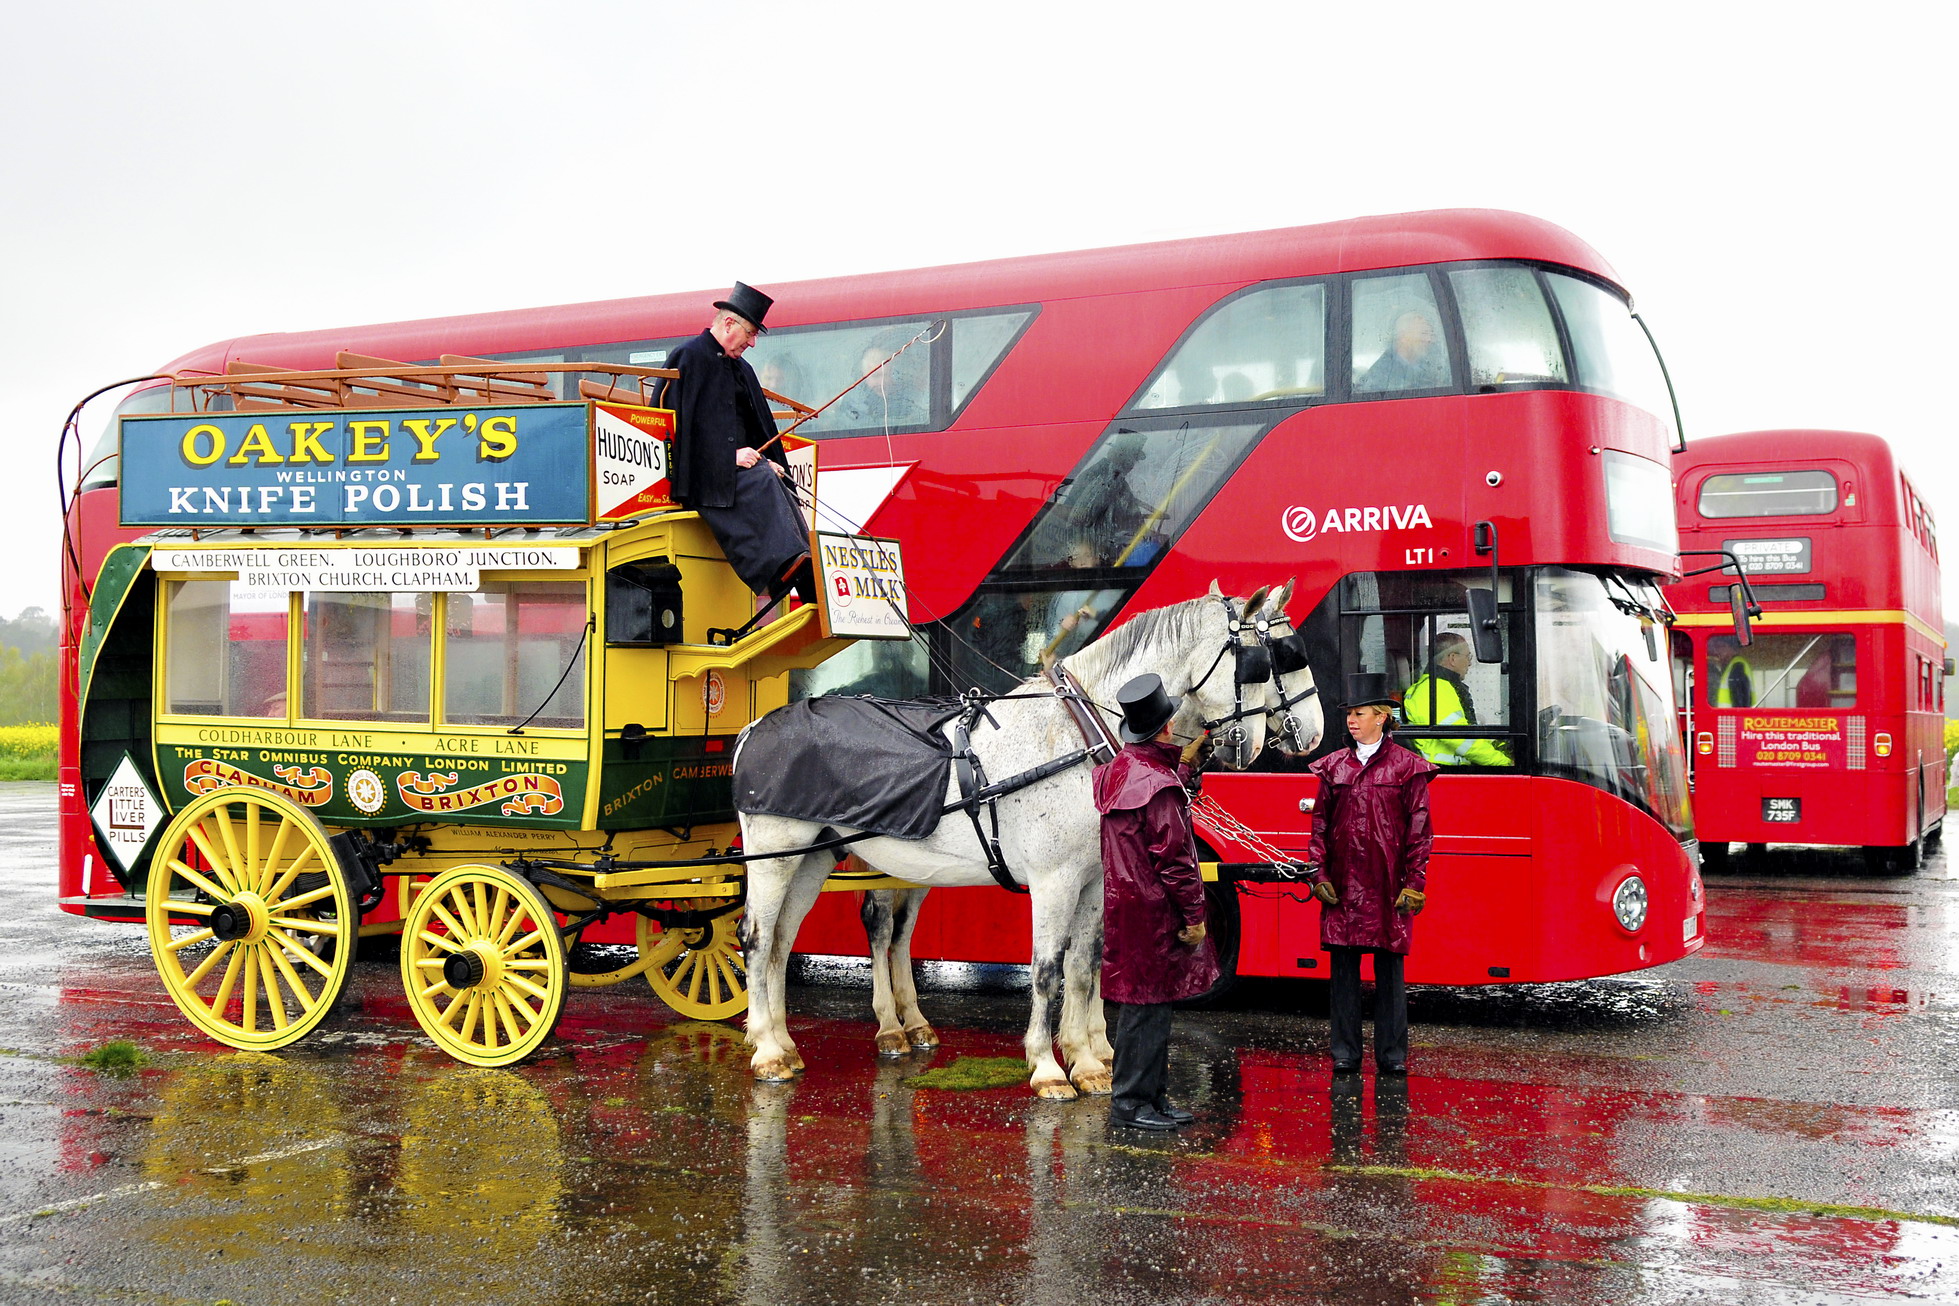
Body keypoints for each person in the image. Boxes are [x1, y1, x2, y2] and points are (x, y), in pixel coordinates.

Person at [1095, 673, 1219, 1130]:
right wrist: (1195, 916)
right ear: (1165, 729)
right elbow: (1176, 859)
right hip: (1155, 907)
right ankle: (1131, 1103)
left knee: (1148, 1003)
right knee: (1146, 1009)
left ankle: (1153, 1097)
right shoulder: (1160, 785)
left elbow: (1152, 787)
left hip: (1127, 903)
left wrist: (1183, 768)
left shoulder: (1120, 771)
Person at [1305, 673, 1438, 1074]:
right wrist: (1318, 874)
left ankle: (1392, 1056)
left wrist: (1414, 883)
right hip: (1343, 885)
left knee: (1390, 974)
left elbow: (1420, 829)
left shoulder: (1407, 768)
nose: (1351, 721)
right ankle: (1345, 1053)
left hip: (1387, 886)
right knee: (1343, 974)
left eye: (1359, 714)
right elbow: (1319, 828)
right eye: (1349, 714)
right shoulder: (1332, 768)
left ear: (1382, 717)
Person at [652, 283, 814, 604]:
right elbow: (670, 431)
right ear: (729, 324)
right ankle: (786, 567)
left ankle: (806, 565)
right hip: (703, 475)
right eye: (751, 334)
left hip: (742, 471)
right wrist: (727, 457)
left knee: (778, 482)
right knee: (764, 480)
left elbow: (760, 429)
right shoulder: (687, 357)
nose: (753, 343)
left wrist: (772, 460)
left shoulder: (743, 368)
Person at [1402, 631, 1511, 766]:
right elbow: (1460, 738)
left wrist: (1497, 744)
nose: (1469, 663)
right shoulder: (1435, 689)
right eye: (1468, 657)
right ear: (1453, 658)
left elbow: (1467, 732)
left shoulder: (1436, 686)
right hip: (1444, 773)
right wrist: (1503, 762)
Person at [1358, 310, 1449, 392]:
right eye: (1424, 333)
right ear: (1403, 336)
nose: (1429, 340)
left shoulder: (1429, 367)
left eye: (1431, 334)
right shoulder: (1381, 376)